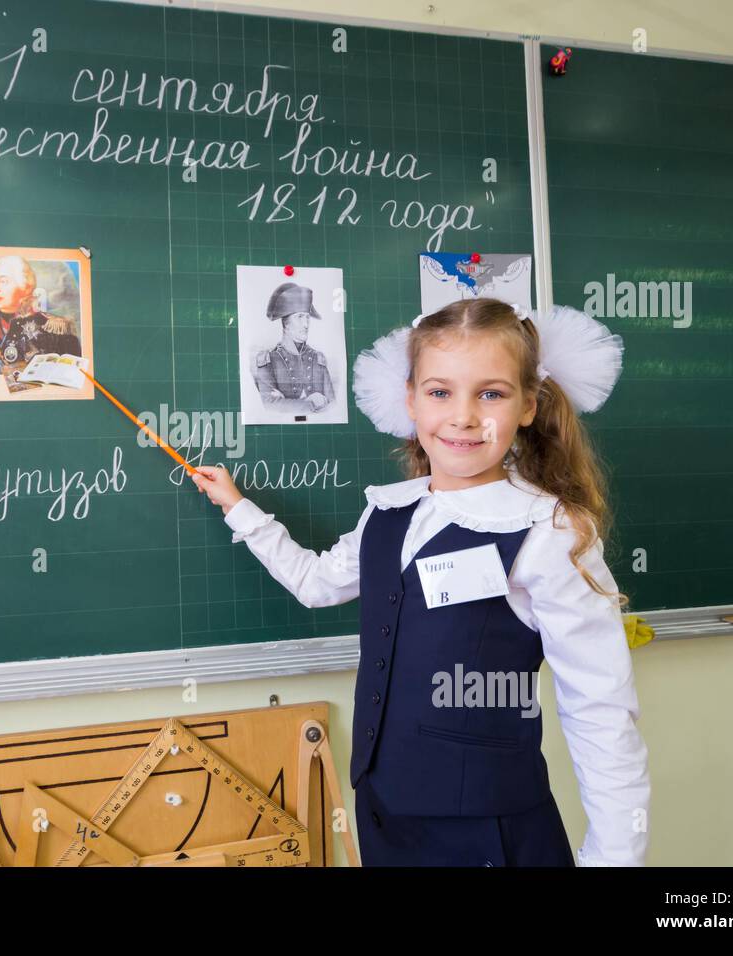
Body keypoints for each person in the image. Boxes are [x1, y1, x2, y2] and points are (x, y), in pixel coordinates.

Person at [192, 297, 649, 867]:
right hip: (385, 813)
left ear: (528, 404)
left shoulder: (547, 531)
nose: (462, 416)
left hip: (488, 831)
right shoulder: (388, 512)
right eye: (439, 392)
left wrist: (615, 858)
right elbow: (315, 582)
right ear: (409, 398)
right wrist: (239, 509)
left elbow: (599, 706)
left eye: (491, 393)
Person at [252, 282, 335, 411]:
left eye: (307, 318)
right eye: (299, 317)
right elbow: (269, 406)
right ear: (286, 323)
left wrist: (284, 402)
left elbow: (333, 406)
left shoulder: (317, 359)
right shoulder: (268, 360)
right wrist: (310, 403)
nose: (306, 324)